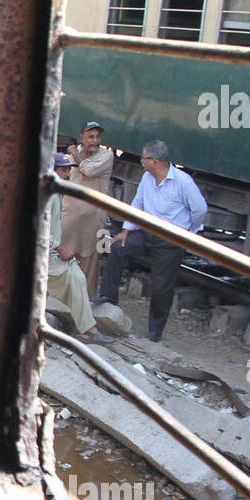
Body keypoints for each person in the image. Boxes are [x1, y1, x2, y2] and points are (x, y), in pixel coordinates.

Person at [94, 139, 207, 342]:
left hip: (171, 239)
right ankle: (109, 298)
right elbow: (137, 204)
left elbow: (200, 210)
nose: (141, 162)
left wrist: (188, 233)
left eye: (143, 158)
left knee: (162, 285)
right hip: (147, 233)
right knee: (117, 248)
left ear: (155, 161)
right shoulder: (147, 177)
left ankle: (154, 333)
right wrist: (127, 230)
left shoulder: (183, 182)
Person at [50, 153, 114, 344]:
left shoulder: (55, 190)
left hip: (45, 250)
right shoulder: (50, 192)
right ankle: (89, 330)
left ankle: (88, 329)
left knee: (76, 278)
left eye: (68, 169)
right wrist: (59, 247)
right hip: (42, 252)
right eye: (63, 170)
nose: (67, 174)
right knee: (73, 278)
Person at [62, 121, 114, 296]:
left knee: (91, 264)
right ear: (81, 138)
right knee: (61, 256)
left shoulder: (106, 156)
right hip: (70, 215)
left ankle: (87, 301)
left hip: (95, 219)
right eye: (90, 136)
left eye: (98, 136)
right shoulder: (70, 157)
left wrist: (74, 152)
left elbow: (89, 170)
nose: (95, 140)